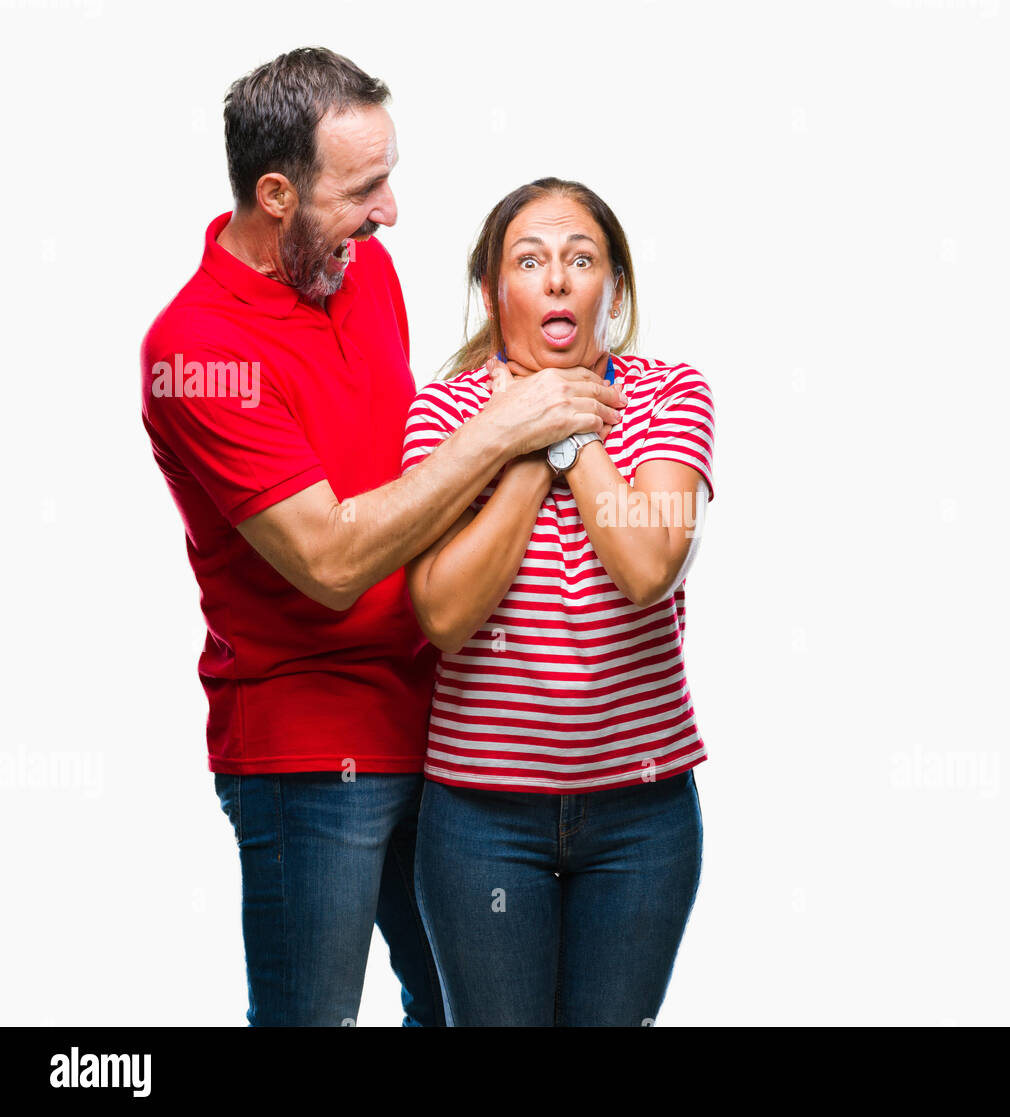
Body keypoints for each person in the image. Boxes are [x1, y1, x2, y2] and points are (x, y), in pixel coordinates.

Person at [139, 52, 625, 1026]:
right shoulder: (194, 352)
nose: (391, 212)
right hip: (309, 754)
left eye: (390, 178)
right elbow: (329, 559)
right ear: (276, 194)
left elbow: (415, 465)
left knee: (465, 1008)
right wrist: (510, 429)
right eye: (363, 189)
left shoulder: (365, 275)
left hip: (444, 727)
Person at [403, 177, 715, 1026]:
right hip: (479, 820)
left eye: (582, 260)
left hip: (641, 819)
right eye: (530, 260)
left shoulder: (670, 394)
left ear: (613, 289)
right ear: (491, 292)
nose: (557, 279)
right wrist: (525, 438)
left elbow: (650, 564)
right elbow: (444, 612)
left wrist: (571, 435)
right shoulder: (443, 410)